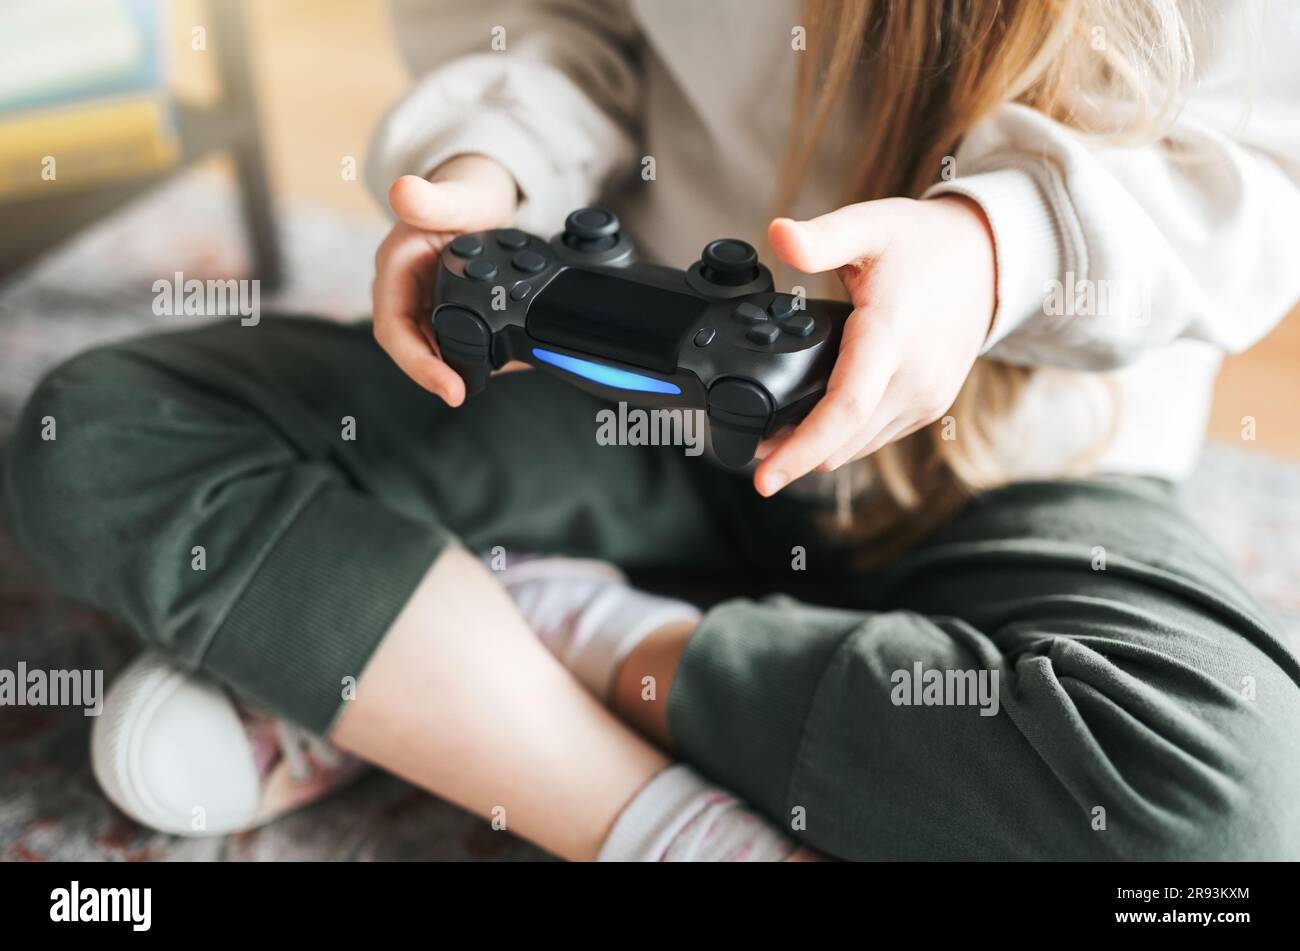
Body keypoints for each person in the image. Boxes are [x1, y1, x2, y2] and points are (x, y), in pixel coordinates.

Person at [8, 0, 1300, 860]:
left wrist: (1000, 253)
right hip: (644, 395)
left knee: (1229, 815)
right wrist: (488, 175)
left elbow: (1260, 170)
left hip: (1018, 453)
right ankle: (657, 820)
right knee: (100, 433)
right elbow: (566, 30)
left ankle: (519, 635)